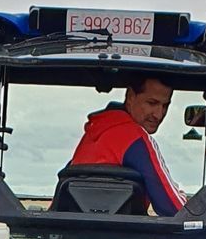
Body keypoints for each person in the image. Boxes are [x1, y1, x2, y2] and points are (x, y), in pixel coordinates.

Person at [67, 75, 187, 216]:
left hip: (75, 233)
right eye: (152, 103)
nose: (159, 115)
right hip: (122, 236)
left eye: (165, 105)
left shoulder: (92, 135)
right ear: (130, 96)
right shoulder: (136, 138)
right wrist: (182, 195)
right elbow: (173, 208)